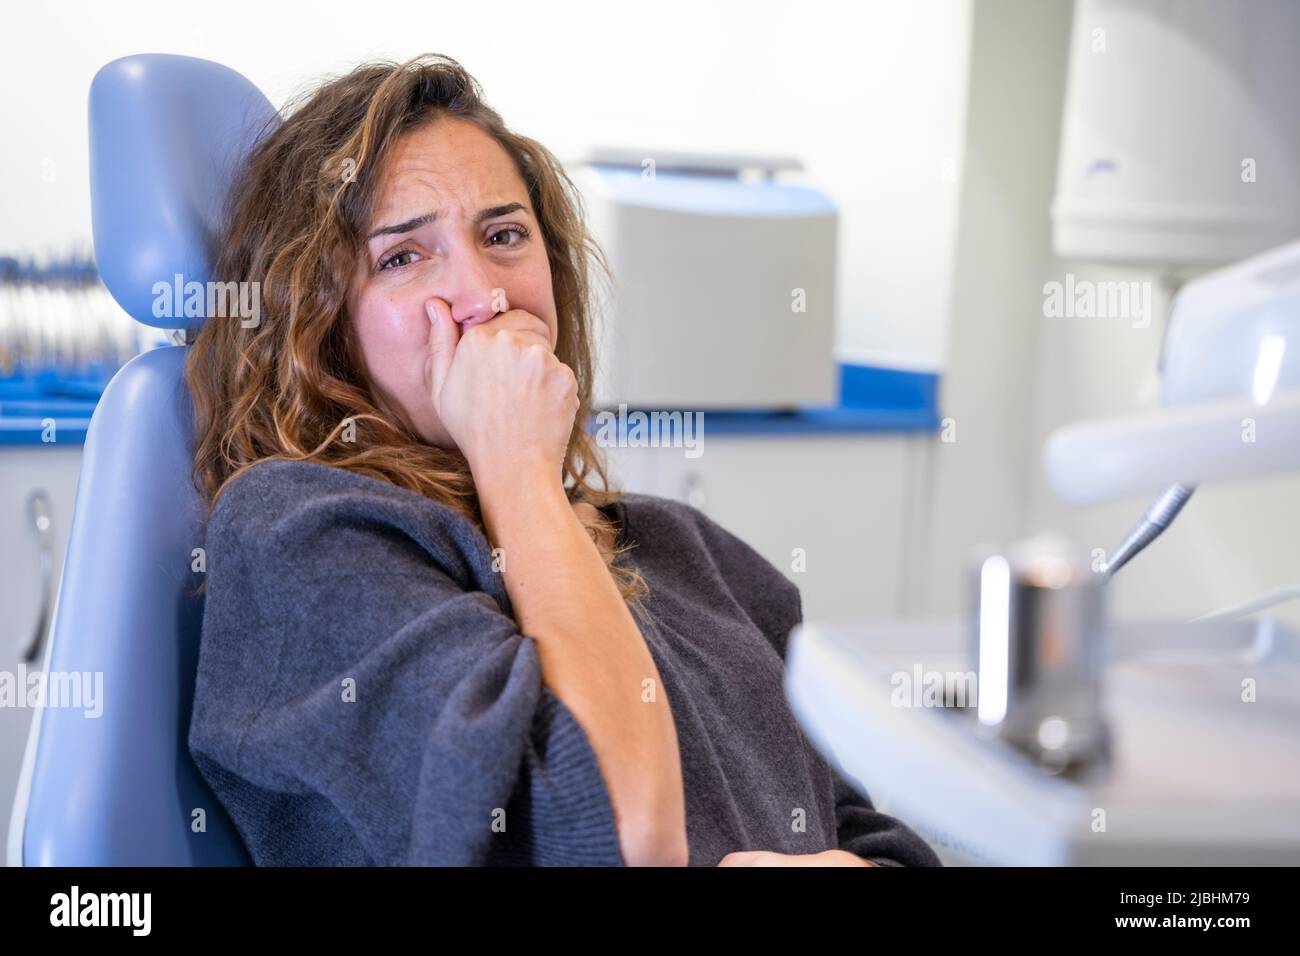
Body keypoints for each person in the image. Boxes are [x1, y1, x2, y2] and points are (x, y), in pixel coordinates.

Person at [184, 53, 941, 868]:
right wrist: (515, 460)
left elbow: (865, 828)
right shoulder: (298, 539)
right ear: (319, 321)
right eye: (403, 256)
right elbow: (618, 837)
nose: (484, 295)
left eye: (505, 235)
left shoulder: (696, 554)